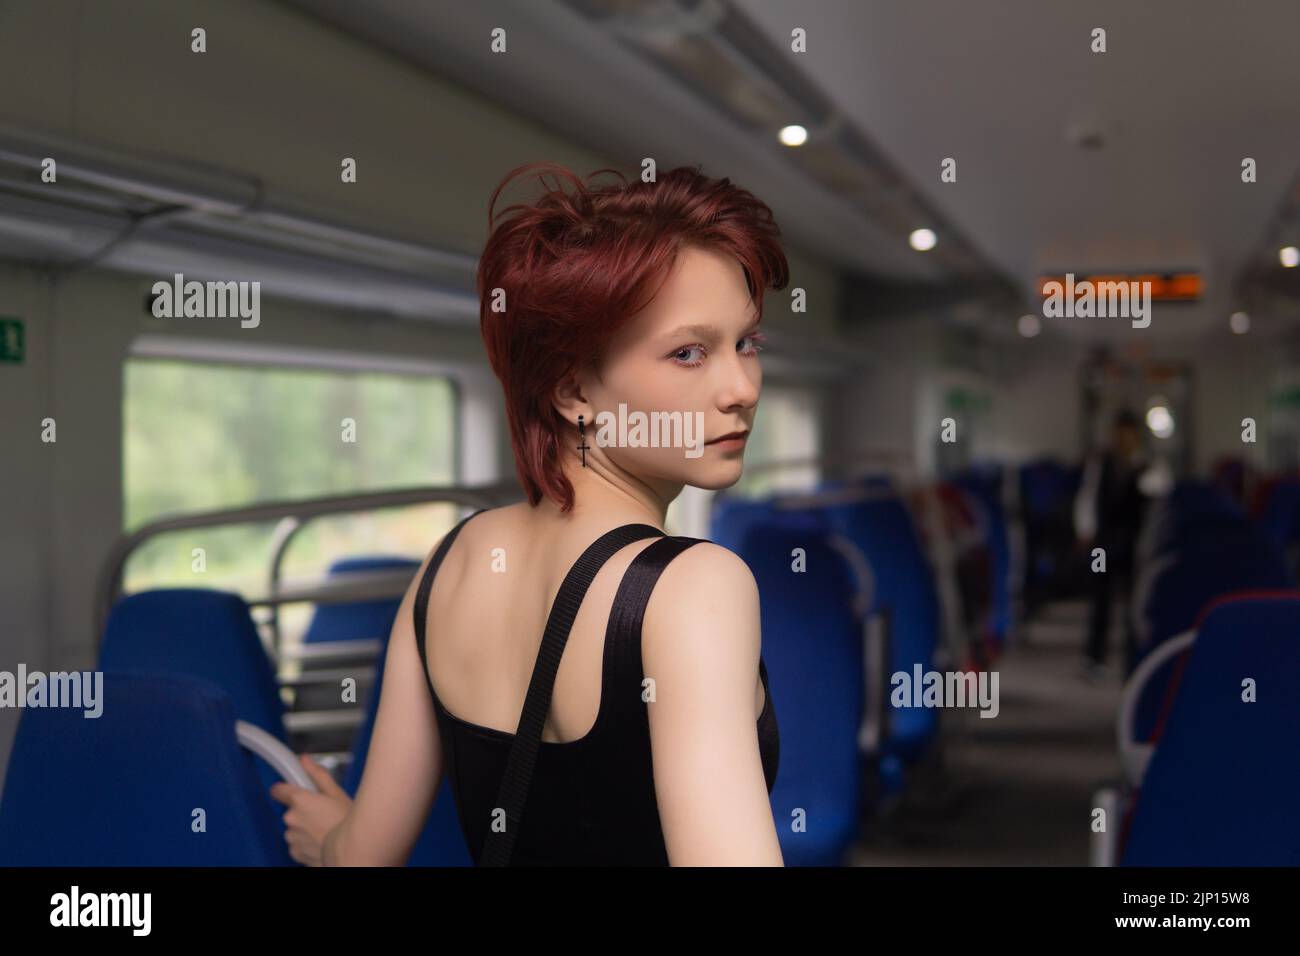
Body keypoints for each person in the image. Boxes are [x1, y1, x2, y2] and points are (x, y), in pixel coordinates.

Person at [270, 162, 787, 865]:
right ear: (573, 389)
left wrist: (331, 834)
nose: (741, 388)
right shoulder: (694, 588)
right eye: (689, 353)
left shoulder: (447, 565)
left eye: (746, 343)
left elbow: (362, 857)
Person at [1073, 408, 1155, 677]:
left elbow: (1157, 501)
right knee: (1101, 599)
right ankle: (1094, 657)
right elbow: (1088, 496)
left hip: (1134, 542)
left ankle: (1134, 661)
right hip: (1103, 542)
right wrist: (1085, 530)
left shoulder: (1147, 465)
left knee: (1134, 604)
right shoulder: (1102, 462)